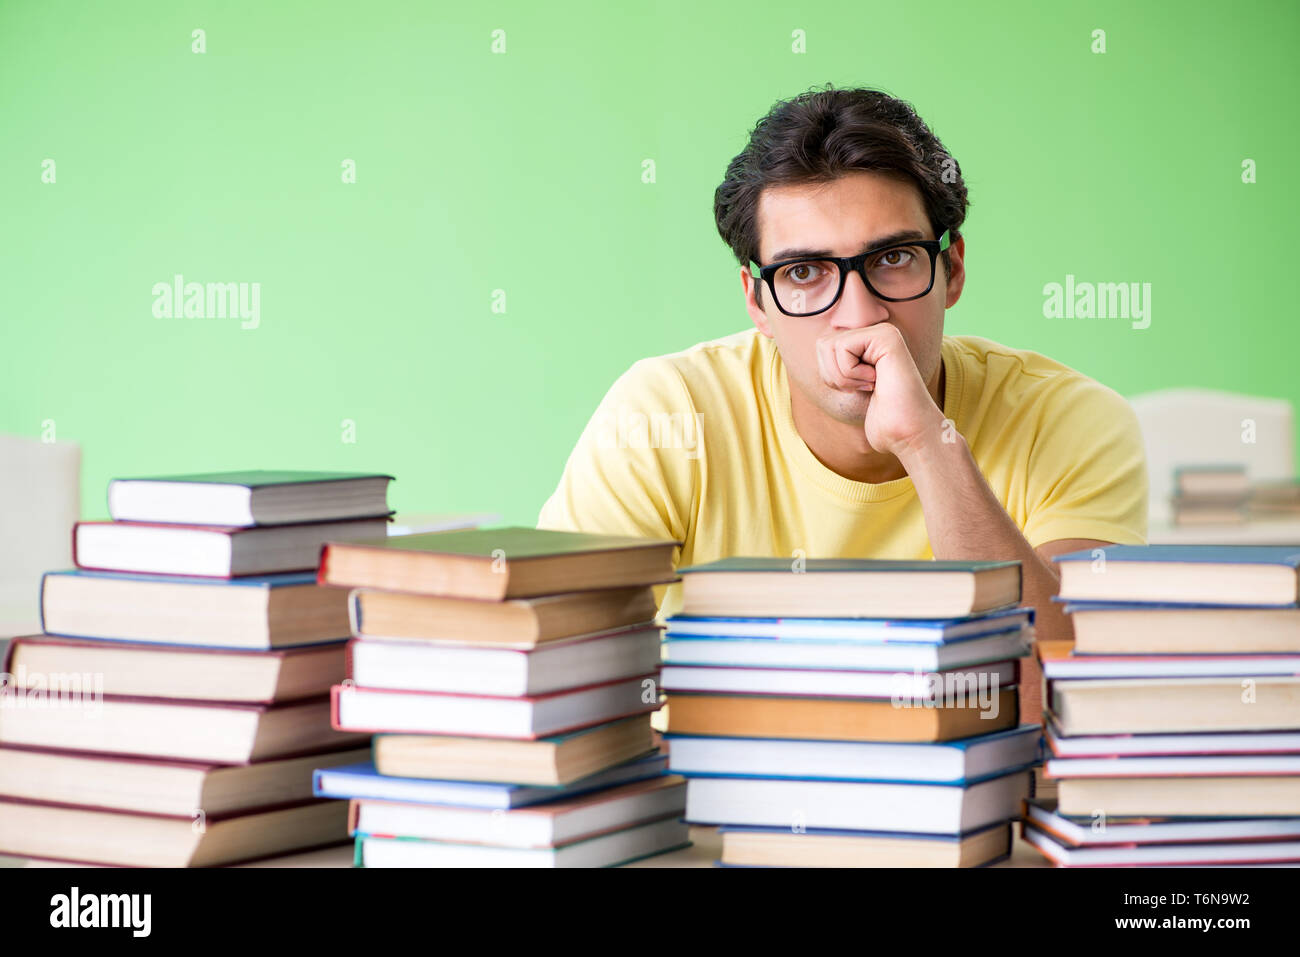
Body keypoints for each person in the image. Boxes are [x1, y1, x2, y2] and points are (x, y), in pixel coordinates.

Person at [537, 85, 1148, 722]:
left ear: (953, 269)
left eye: (893, 258)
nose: (861, 318)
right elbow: (556, 668)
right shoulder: (665, 413)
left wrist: (927, 446)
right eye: (804, 273)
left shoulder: (1071, 419)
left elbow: (1072, 697)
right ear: (757, 301)